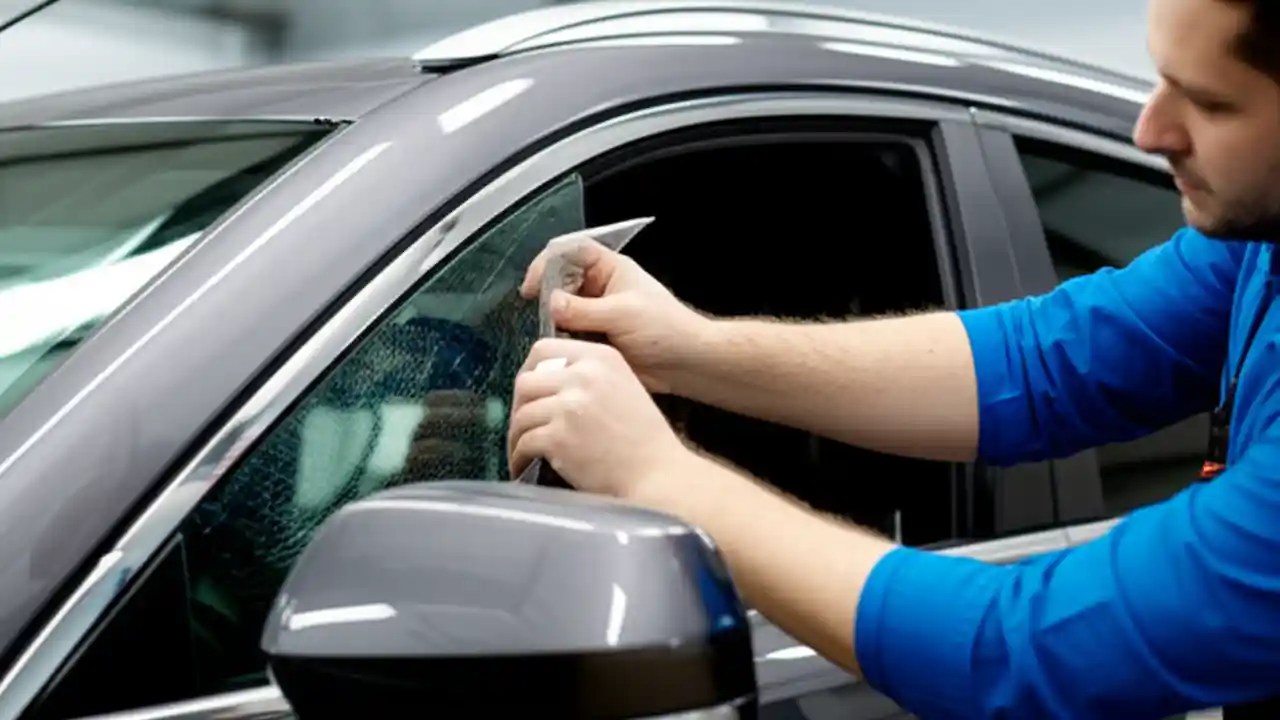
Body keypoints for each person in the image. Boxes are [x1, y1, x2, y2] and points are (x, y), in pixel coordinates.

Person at [506, 0, 1280, 717]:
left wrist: (657, 476)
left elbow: (1017, 652)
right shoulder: (1256, 248)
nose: (1150, 131)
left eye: (1210, 103)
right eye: (1161, 81)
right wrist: (689, 348)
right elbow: (1036, 364)